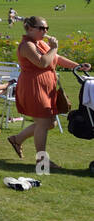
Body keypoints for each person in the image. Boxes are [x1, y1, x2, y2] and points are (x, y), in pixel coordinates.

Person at [7, 16, 91, 166]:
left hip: (47, 87)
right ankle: (41, 159)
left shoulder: (41, 43)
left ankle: (17, 139)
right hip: (33, 87)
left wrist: (77, 66)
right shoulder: (27, 45)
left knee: (49, 123)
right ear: (29, 29)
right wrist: (53, 47)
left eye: (46, 28)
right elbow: (42, 62)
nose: (44, 31)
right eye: (41, 28)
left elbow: (56, 58)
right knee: (43, 122)